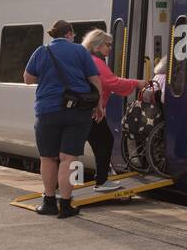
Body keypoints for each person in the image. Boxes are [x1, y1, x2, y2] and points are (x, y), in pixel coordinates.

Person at [23, 20, 103, 218]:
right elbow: (95, 80)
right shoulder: (80, 51)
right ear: (69, 33)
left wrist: (48, 77)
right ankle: (66, 205)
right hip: (78, 112)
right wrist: (99, 105)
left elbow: (28, 79)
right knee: (70, 158)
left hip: (48, 111)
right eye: (73, 34)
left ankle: (49, 203)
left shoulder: (41, 51)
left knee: (48, 157)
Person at [82, 30, 143, 192]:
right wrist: (136, 83)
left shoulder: (87, 59)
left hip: (84, 110)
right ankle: (101, 181)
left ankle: (100, 176)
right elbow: (112, 83)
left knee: (96, 143)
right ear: (97, 45)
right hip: (92, 112)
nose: (110, 48)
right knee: (106, 141)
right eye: (108, 45)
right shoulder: (97, 62)